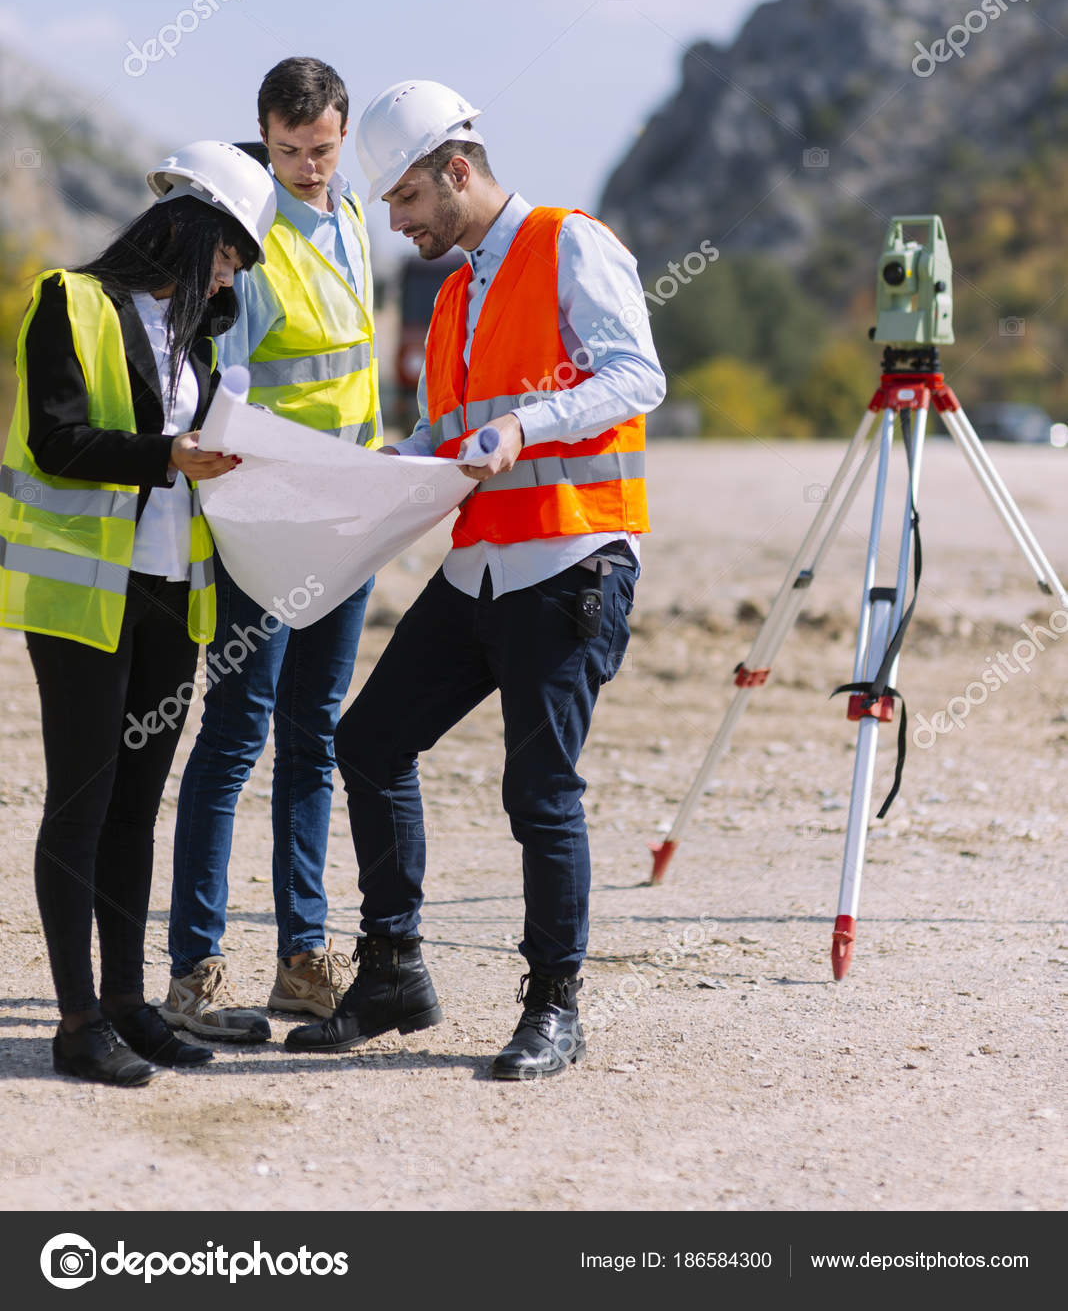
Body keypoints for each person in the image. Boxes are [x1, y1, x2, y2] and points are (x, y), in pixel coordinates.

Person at [288, 80, 665, 1078]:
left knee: (539, 790)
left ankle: (554, 1006)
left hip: (570, 561)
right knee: (369, 742)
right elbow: (449, 433)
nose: (397, 222)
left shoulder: (569, 243)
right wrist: (390, 466)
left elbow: (638, 374)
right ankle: (394, 971)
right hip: (480, 567)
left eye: (408, 198)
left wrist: (527, 424)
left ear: (458, 170)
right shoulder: (454, 292)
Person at [0, 142, 275, 1086]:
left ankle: (127, 1005)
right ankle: (77, 1024)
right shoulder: (68, 301)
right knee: (81, 805)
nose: (230, 277)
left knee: (134, 809)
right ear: (193, 230)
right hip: (85, 596)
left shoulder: (196, 337)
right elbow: (57, 441)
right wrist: (169, 456)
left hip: (169, 595)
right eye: (231, 255)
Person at [163, 57, 380, 1043]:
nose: (306, 165)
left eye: (321, 148)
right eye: (289, 148)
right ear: (264, 134)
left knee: (315, 737)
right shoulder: (248, 235)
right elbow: (227, 393)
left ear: (343, 136)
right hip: (268, 518)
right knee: (236, 731)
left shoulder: (357, 216)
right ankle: (195, 970)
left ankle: (303, 959)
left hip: (351, 514)